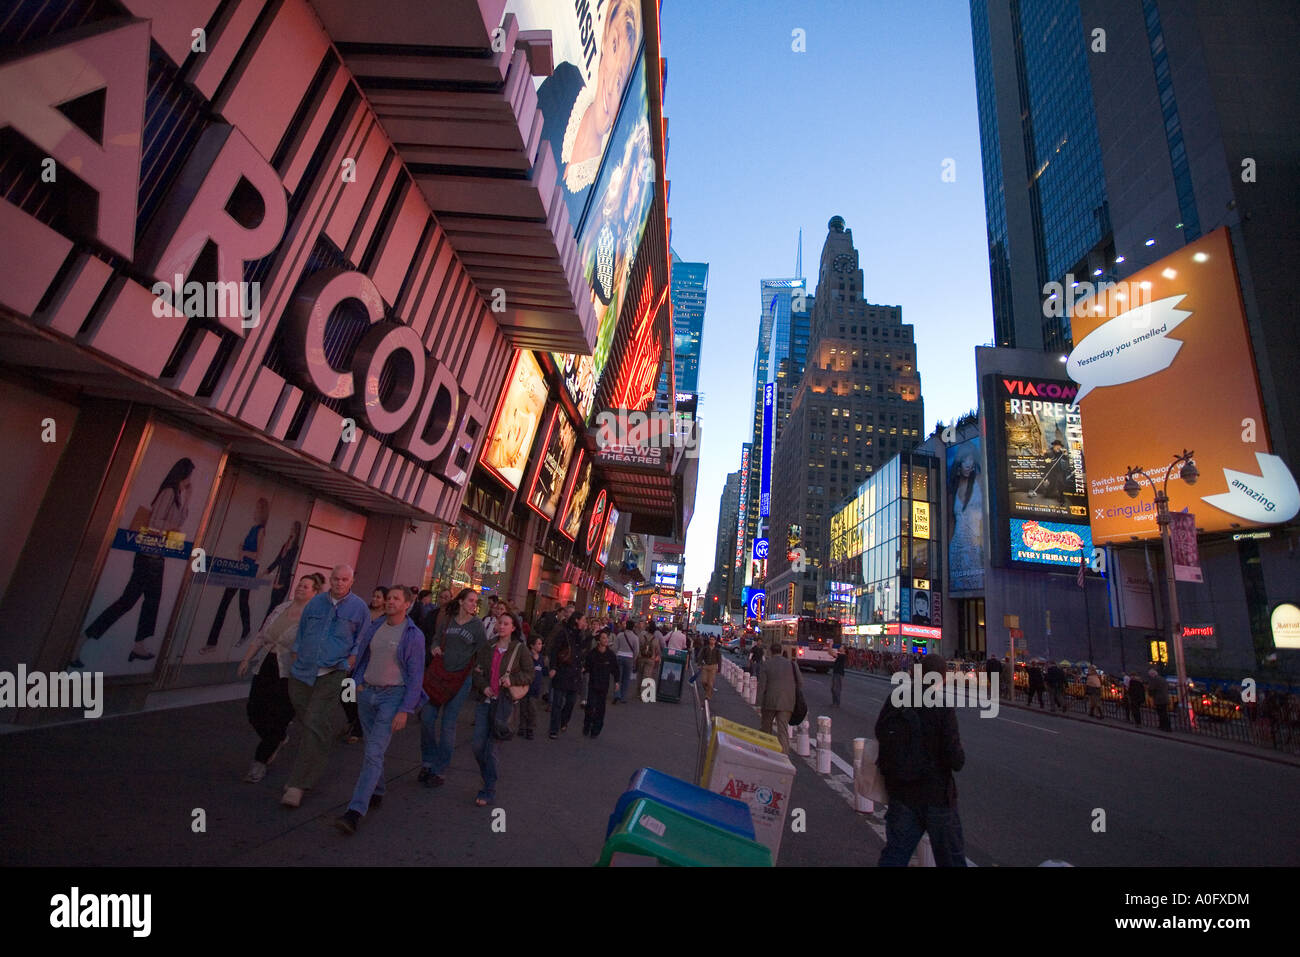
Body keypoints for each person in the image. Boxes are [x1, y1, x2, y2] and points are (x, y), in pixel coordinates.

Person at [74, 457, 195, 666]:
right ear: (183, 474)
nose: (190, 481)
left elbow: (179, 521)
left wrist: (187, 499)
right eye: (189, 476)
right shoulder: (168, 492)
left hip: (157, 555)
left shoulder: (176, 495)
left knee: (150, 602)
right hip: (148, 556)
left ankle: (138, 645)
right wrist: (171, 527)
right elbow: (155, 522)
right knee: (129, 601)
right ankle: (83, 639)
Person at [334, 586, 427, 835]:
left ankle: (354, 812)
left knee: (374, 751)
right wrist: (357, 682)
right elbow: (364, 657)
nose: (390, 601)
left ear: (407, 604)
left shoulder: (413, 635)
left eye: (396, 598)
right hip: (367, 693)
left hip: (392, 697)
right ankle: (377, 788)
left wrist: (405, 709)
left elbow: (416, 675)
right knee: (372, 749)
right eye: (389, 598)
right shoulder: (376, 627)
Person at [280, 564, 370, 809]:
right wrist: (296, 652)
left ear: (351, 581)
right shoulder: (316, 603)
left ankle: (299, 783)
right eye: (336, 579)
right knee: (310, 720)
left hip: (333, 671)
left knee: (314, 721)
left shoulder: (359, 608)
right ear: (330, 579)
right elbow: (302, 629)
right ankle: (321, 735)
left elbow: (361, 639)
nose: (339, 583)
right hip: (303, 669)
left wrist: (350, 661)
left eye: (344, 579)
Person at [875, 653, 967, 867]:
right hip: (936, 796)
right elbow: (956, 760)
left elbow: (880, 731)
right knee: (951, 859)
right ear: (942, 678)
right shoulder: (942, 707)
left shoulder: (897, 698)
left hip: (902, 792)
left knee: (895, 855)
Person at [237, 572, 323, 783]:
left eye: (306, 586)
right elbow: (261, 636)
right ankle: (278, 738)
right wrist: (246, 659)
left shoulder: (315, 617)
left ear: (315, 592)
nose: (300, 588)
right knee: (254, 710)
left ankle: (260, 762)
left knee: (279, 716)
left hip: (292, 672)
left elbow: (314, 646)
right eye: (300, 584)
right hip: (267, 664)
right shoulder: (281, 608)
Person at [419, 588, 488, 788]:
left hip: (461, 679)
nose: (473, 604)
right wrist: (434, 647)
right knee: (427, 718)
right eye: (470, 600)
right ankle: (428, 760)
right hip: (440, 675)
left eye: (475, 601)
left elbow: (483, 650)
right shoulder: (448, 620)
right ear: (460, 602)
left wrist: (477, 667)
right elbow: (436, 638)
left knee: (448, 723)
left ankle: (439, 769)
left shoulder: (476, 625)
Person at [469, 611, 532, 806]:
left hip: (503, 704)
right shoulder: (488, 646)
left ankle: (489, 788)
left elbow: (529, 674)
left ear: (513, 628)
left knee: (492, 749)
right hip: (485, 701)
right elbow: (477, 672)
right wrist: (483, 687)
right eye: (500, 623)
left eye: (506, 624)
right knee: (478, 746)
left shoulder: (519, 649)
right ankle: (487, 776)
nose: (502, 626)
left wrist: (511, 679)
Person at [203, 497, 269, 654]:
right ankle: (219, 640)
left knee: (235, 602)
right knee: (236, 602)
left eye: (258, 509)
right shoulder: (253, 528)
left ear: (262, 512)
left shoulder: (260, 530)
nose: (255, 511)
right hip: (241, 569)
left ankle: (219, 640)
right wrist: (241, 551)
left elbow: (257, 555)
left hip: (247, 571)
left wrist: (243, 552)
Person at [757, 643, 802, 753]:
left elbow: (762, 685)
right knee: (783, 730)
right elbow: (800, 682)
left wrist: (758, 703)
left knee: (766, 728)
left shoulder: (766, 664)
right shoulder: (792, 664)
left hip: (769, 701)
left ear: (770, 652)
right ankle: (784, 755)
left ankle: (765, 752)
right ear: (781, 651)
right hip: (787, 702)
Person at [547, 613, 583, 737]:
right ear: (576, 620)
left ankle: (563, 720)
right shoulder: (564, 633)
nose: (585, 623)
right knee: (557, 702)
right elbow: (554, 650)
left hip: (574, 673)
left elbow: (580, 652)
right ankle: (553, 729)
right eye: (583, 620)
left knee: (571, 702)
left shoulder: (580, 635)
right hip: (562, 670)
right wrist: (553, 667)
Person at [260, 521, 302, 623]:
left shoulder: (295, 548)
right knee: (271, 607)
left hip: (283, 581)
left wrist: (281, 583)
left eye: (293, 529)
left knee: (274, 608)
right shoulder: (285, 545)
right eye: (291, 529)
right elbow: (277, 560)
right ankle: (264, 627)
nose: (291, 530)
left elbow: (288, 565)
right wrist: (265, 571)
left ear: (296, 531)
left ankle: (266, 627)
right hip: (277, 579)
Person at [582, 630, 620, 737]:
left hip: (604, 686)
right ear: (599, 640)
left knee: (600, 708)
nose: (606, 640)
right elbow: (587, 667)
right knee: (590, 707)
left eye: (607, 638)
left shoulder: (610, 655)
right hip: (593, 684)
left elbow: (615, 669)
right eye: (603, 638)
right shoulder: (592, 654)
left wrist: (617, 681)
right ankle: (587, 725)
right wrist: (582, 670)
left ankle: (596, 729)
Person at [519, 635, 544, 740]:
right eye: (538, 644)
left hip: (535, 687)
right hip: (525, 686)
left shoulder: (541, 658)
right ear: (532, 645)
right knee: (523, 708)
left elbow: (543, 671)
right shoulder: (527, 657)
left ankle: (530, 728)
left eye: (541, 644)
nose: (540, 646)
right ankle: (522, 726)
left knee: (532, 708)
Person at [612, 617, 639, 704]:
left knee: (618, 677)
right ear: (633, 627)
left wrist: (616, 655)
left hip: (619, 656)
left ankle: (617, 694)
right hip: (629, 658)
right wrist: (634, 659)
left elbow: (615, 647)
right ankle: (623, 697)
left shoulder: (620, 635)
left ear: (626, 626)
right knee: (626, 679)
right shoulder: (635, 637)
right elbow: (636, 651)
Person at [698, 633, 722, 700]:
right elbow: (701, 656)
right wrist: (699, 664)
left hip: (713, 667)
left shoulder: (717, 650)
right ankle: (708, 690)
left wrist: (719, 669)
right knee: (704, 681)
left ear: (715, 641)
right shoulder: (705, 648)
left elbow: (719, 660)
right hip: (705, 666)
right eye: (710, 639)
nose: (711, 641)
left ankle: (708, 695)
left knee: (710, 683)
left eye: (713, 640)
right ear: (709, 640)